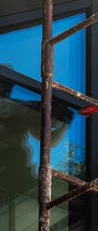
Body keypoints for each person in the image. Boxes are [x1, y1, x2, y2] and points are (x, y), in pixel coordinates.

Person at [0, 67, 74, 206]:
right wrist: (64, 121)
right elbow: (51, 138)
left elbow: (50, 141)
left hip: (16, 166)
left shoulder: (16, 108)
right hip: (13, 164)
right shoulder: (13, 107)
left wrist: (65, 122)